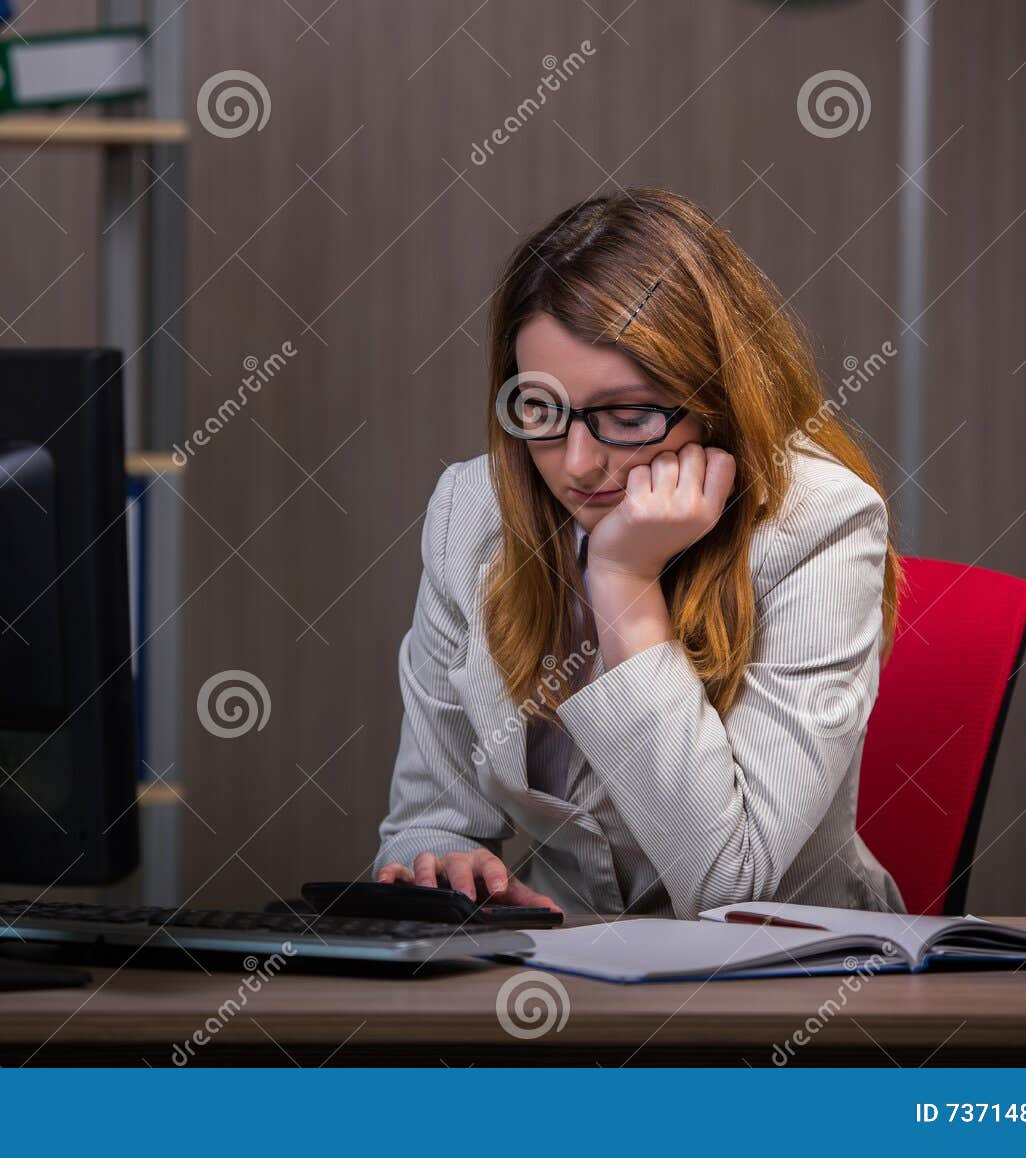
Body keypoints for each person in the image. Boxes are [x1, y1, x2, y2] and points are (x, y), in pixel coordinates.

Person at [373, 187, 907, 918]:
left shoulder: (820, 523)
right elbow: (427, 825)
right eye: (540, 409)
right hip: (562, 967)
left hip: (790, 968)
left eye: (626, 415)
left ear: (719, 400)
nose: (577, 463)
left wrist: (623, 579)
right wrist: (446, 865)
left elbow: (728, 887)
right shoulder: (470, 514)